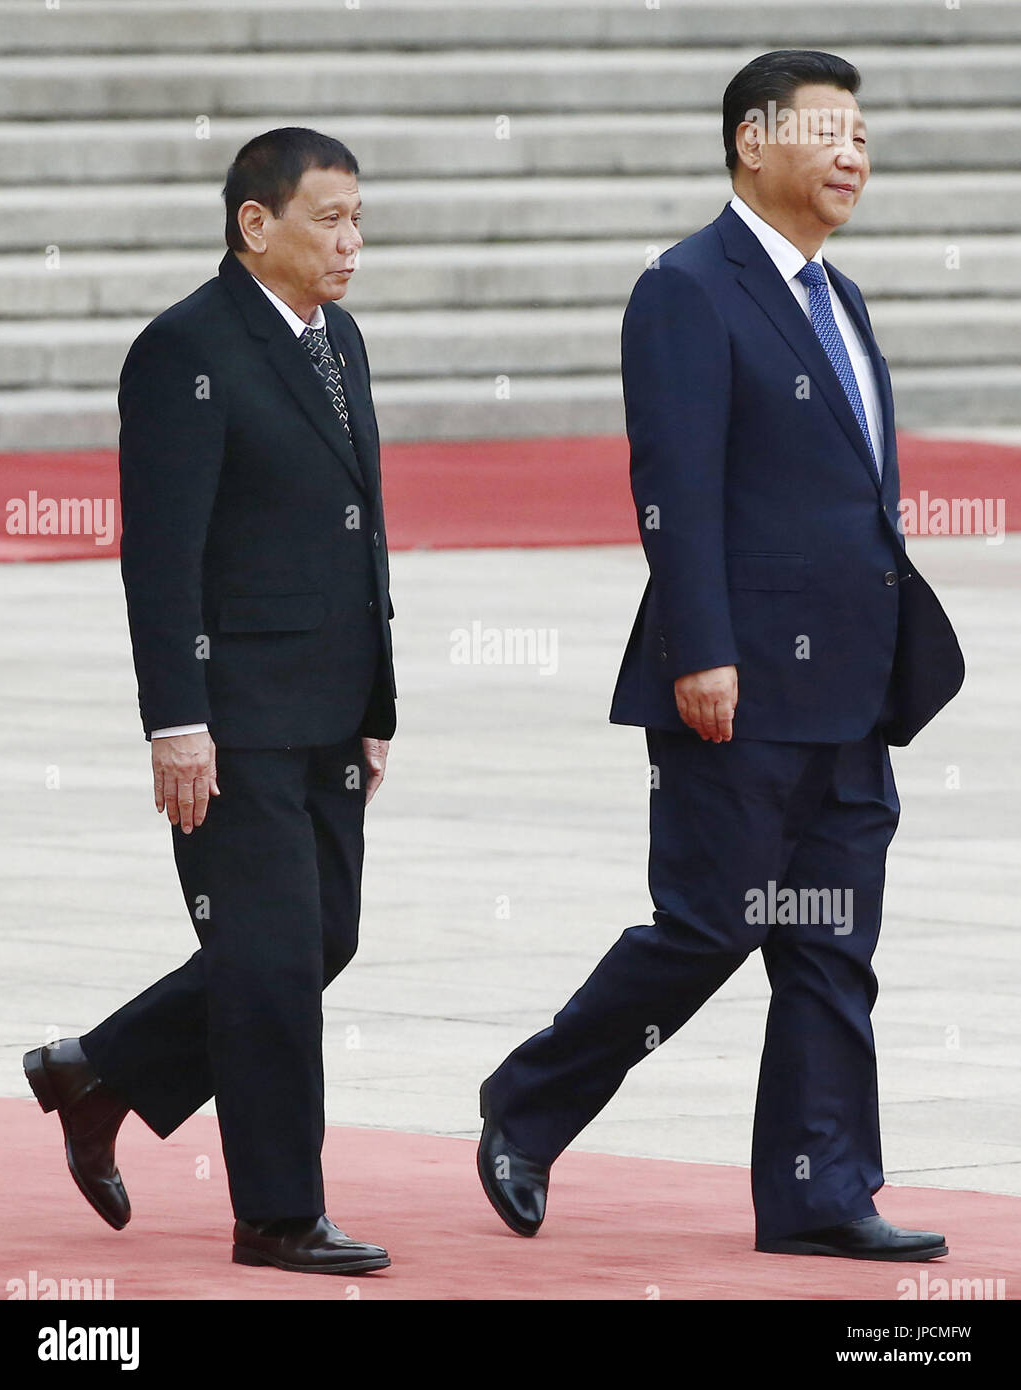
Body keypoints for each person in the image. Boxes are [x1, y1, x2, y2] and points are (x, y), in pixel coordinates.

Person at [477, 51, 964, 1261]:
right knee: (708, 924)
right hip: (736, 681)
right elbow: (673, 487)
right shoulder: (686, 288)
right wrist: (703, 647)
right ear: (754, 142)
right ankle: (525, 1107)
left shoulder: (839, 298)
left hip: (851, 686)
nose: (855, 154)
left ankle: (819, 1189)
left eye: (864, 134)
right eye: (830, 131)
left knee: (831, 941)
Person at [23, 127, 397, 1276]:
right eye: (328, 218)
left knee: (318, 938)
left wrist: (377, 699)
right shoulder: (184, 349)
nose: (351, 241)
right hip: (232, 719)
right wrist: (174, 721)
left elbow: (361, 527)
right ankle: (279, 1213)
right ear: (255, 224)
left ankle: (102, 1073)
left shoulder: (340, 341)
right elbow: (161, 559)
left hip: (330, 706)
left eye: (357, 217)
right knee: (275, 961)